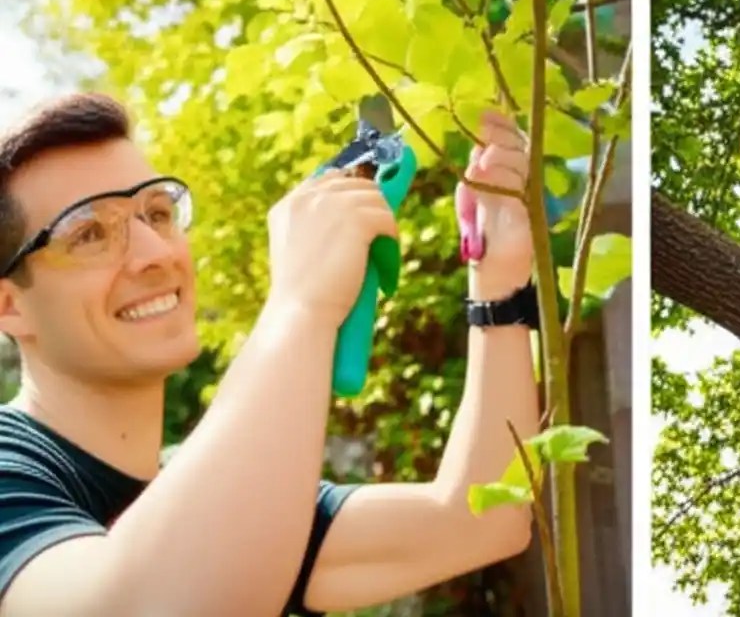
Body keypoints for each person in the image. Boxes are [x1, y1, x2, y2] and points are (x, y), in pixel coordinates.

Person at [0, 93, 541, 615]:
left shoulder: (209, 485)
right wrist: (299, 304)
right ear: (8, 306)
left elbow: (479, 517)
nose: (155, 253)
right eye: (89, 233)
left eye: (158, 213)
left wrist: (499, 272)